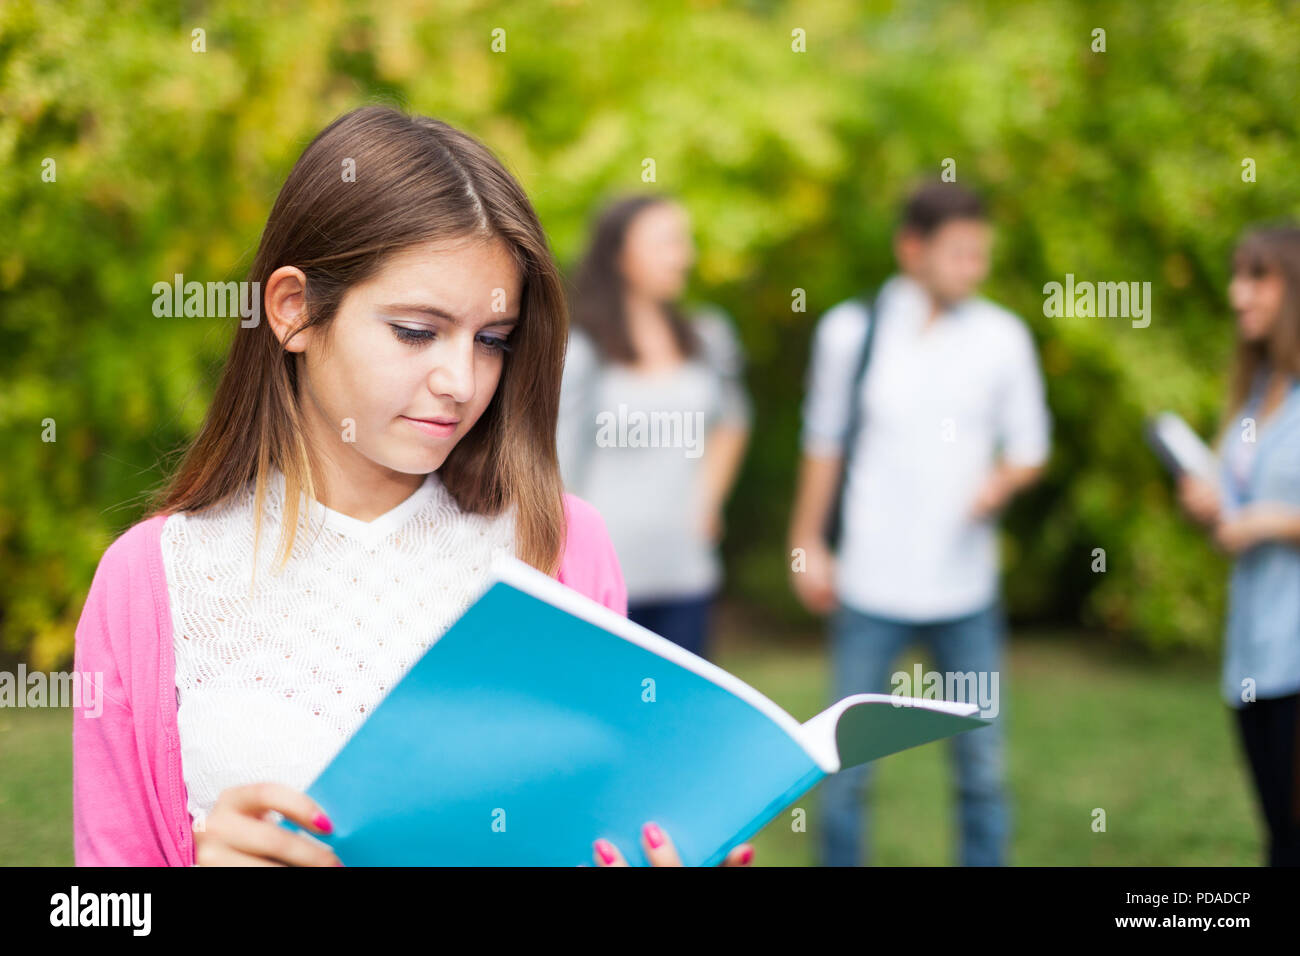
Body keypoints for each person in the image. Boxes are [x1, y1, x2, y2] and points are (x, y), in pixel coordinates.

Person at [71, 106, 753, 869]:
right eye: (416, 331)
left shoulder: (562, 545)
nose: (460, 382)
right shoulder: (148, 582)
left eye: (492, 341)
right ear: (293, 311)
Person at [787, 181, 1051, 866]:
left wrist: (1000, 482)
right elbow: (824, 442)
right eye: (961, 253)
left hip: (966, 592)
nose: (976, 267)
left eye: (981, 254)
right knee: (842, 772)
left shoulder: (1003, 337)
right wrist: (807, 540)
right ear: (912, 250)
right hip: (869, 587)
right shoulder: (852, 331)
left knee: (982, 771)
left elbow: (1030, 448)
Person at [557, 195, 752, 661]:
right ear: (621, 256)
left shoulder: (708, 335)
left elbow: (733, 420)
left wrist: (708, 501)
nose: (683, 256)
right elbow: (556, 457)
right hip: (602, 576)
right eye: (667, 242)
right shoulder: (581, 348)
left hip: (686, 569)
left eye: (684, 242)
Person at [1176, 224, 1300, 867]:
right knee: (1279, 835)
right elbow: (1238, 512)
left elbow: (1271, 514)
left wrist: (1270, 522)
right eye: (1236, 276)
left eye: (1257, 277)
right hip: (1255, 649)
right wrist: (1213, 507)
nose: (1237, 293)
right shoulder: (1256, 395)